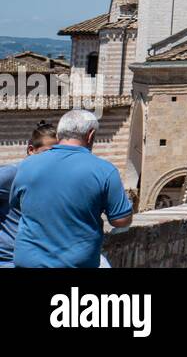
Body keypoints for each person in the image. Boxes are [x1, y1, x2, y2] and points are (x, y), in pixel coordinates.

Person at [9, 109, 134, 268]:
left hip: (27, 263)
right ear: (90, 135)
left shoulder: (26, 165)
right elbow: (121, 220)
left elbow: (18, 204)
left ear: (59, 134)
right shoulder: (105, 171)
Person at [0, 122, 58, 268]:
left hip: (42, 259)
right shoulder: (11, 174)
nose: (53, 158)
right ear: (31, 150)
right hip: (9, 261)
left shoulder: (55, 179)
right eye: (48, 152)